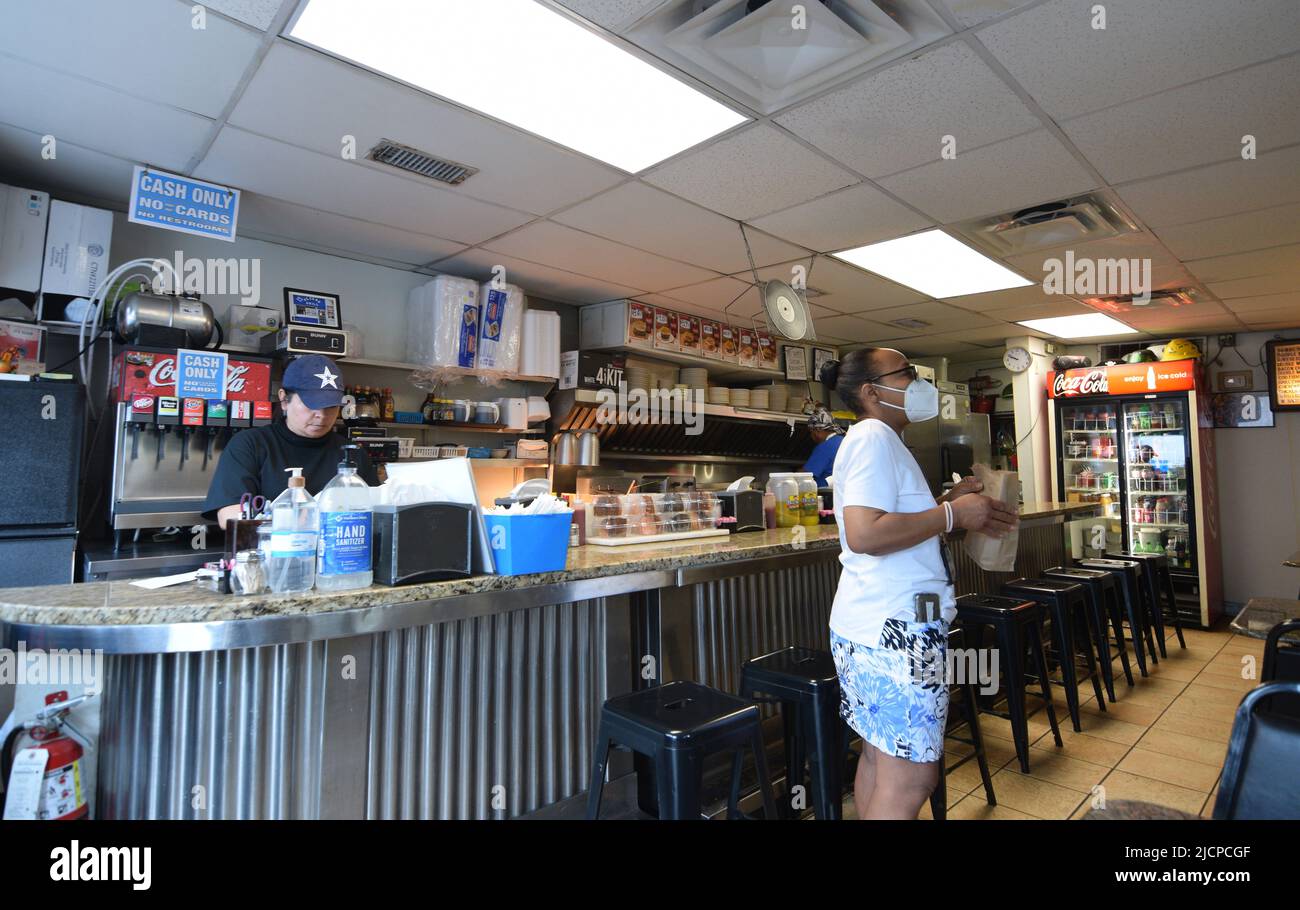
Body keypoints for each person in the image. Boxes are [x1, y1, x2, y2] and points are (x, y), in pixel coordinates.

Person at [819, 347, 1018, 820]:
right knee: (912, 777)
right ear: (871, 392)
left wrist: (949, 503)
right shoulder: (872, 437)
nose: (919, 383)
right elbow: (867, 532)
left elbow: (897, 521)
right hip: (896, 631)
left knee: (881, 758)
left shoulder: (884, 439)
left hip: (875, 626)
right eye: (907, 374)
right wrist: (951, 513)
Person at [202, 354, 377, 528]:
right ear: (284, 399)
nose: (322, 415)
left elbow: (377, 514)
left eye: (330, 406)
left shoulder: (352, 454)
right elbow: (229, 516)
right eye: (311, 404)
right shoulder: (250, 445)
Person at [802, 406, 845, 487]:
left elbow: (805, 476)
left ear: (817, 430)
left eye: (811, 432)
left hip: (826, 494)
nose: (811, 437)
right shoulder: (845, 441)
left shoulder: (825, 447)